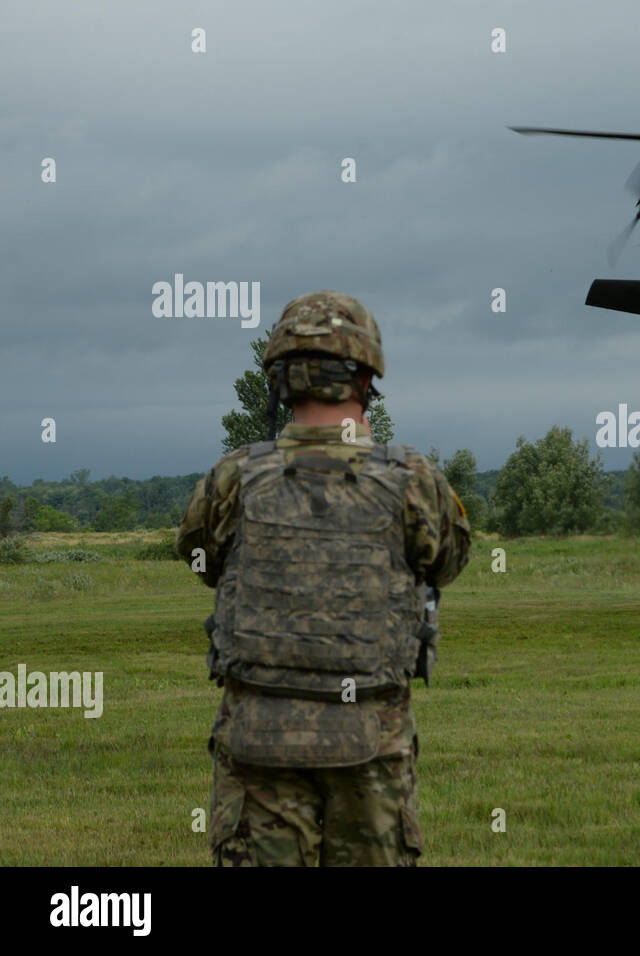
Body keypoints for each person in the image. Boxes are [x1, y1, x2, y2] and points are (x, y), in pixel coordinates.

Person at [176, 290, 471, 866]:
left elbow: (200, 560)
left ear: (282, 379)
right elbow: (448, 562)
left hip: (258, 745)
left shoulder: (233, 477)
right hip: (371, 751)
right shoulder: (413, 480)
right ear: (364, 378)